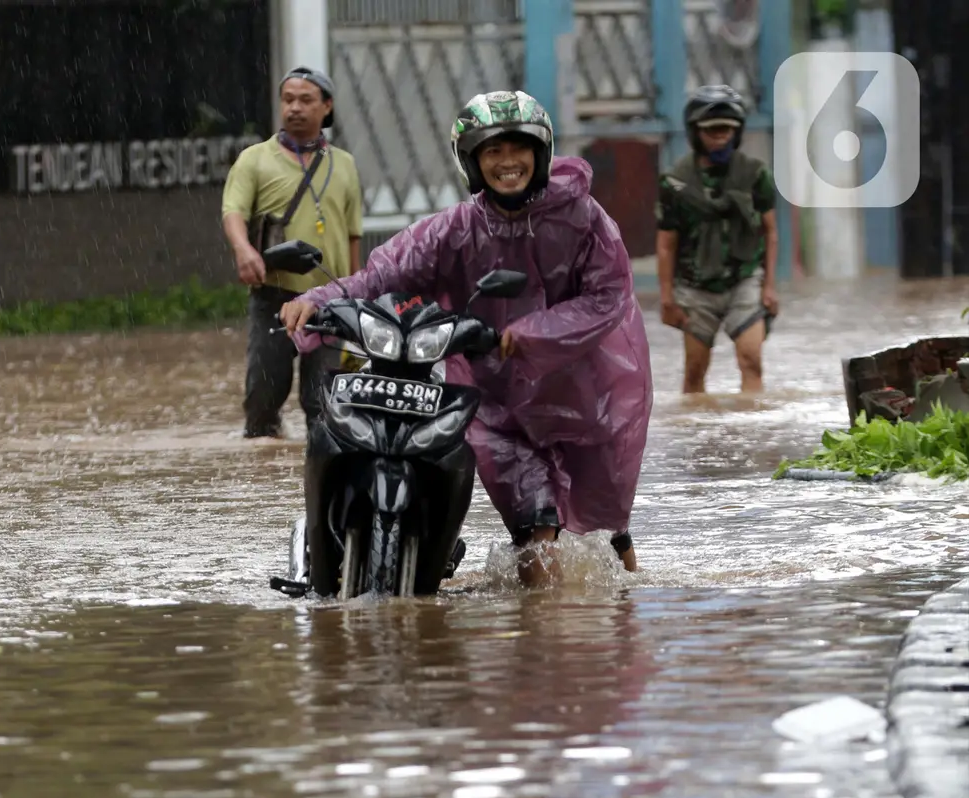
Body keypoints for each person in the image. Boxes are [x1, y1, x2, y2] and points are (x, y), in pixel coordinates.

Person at [280, 90, 652, 585]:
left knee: (608, 530)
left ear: (540, 153)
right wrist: (321, 300)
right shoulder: (454, 229)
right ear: (472, 162)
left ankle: (632, 619)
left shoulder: (586, 220)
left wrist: (530, 334)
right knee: (535, 537)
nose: (506, 162)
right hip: (502, 409)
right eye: (491, 151)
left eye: (517, 147)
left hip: (591, 396)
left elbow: (609, 297)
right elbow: (383, 272)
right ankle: (543, 641)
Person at [221, 66, 364, 438]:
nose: (295, 108)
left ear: (327, 106)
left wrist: (359, 299)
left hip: (330, 302)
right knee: (262, 401)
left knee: (326, 405)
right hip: (275, 296)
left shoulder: (345, 164)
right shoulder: (254, 159)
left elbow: (352, 236)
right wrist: (243, 250)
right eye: (288, 100)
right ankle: (265, 479)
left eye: (306, 100)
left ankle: (316, 479)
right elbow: (232, 211)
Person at [656, 85, 779, 395]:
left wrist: (769, 287)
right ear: (695, 132)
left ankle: (753, 434)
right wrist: (668, 298)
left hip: (744, 280)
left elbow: (770, 231)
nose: (720, 137)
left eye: (726, 129)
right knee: (695, 371)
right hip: (695, 287)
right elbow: (666, 244)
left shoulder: (755, 175)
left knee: (751, 361)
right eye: (712, 131)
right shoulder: (676, 182)